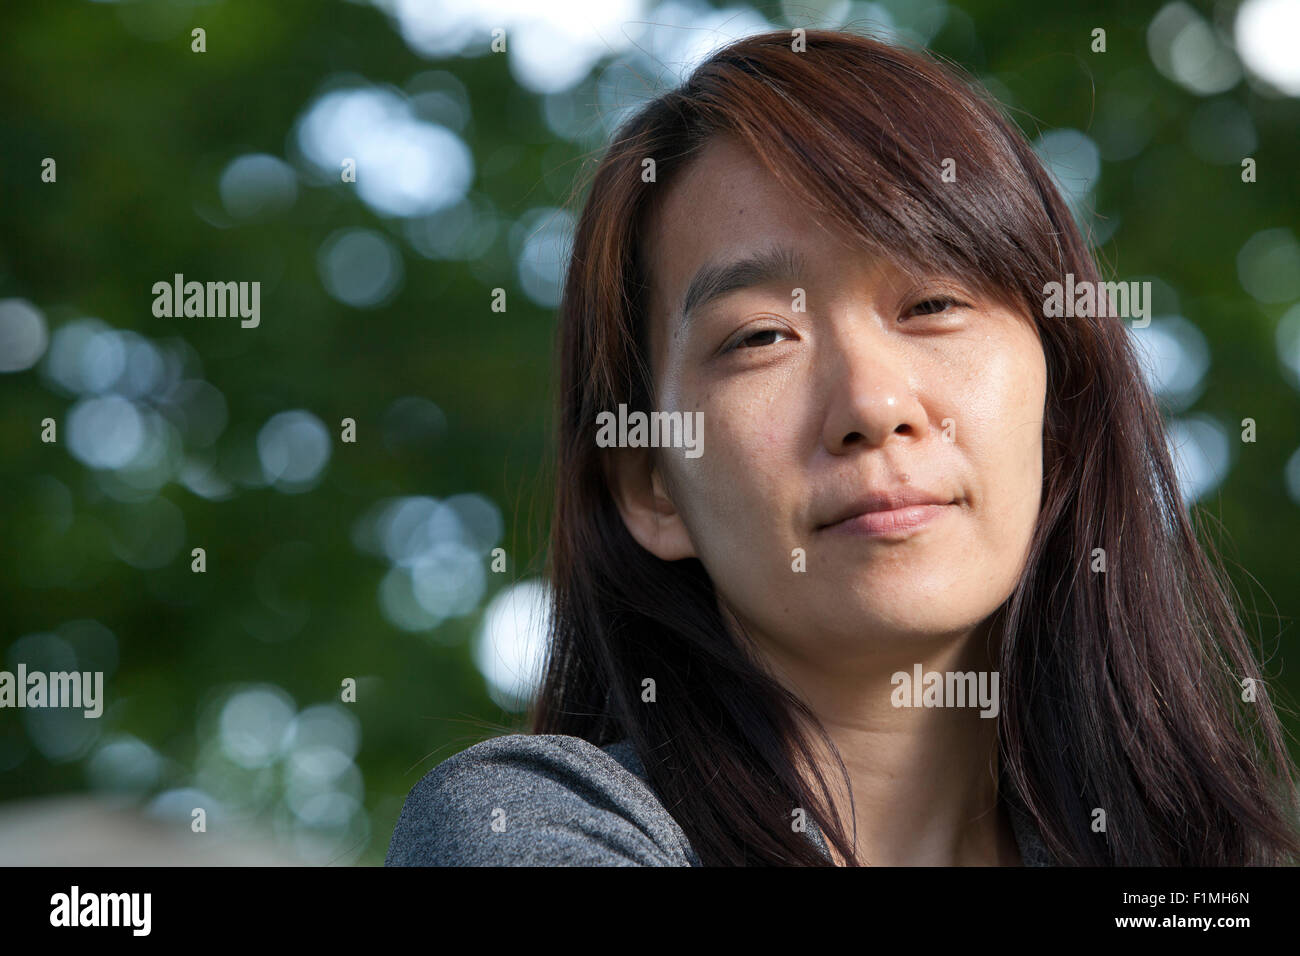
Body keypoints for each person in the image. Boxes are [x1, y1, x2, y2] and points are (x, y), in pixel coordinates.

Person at [386, 28, 1300, 866]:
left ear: (1058, 415)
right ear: (653, 486)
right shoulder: (530, 827)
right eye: (759, 338)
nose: (872, 404)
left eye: (933, 304)